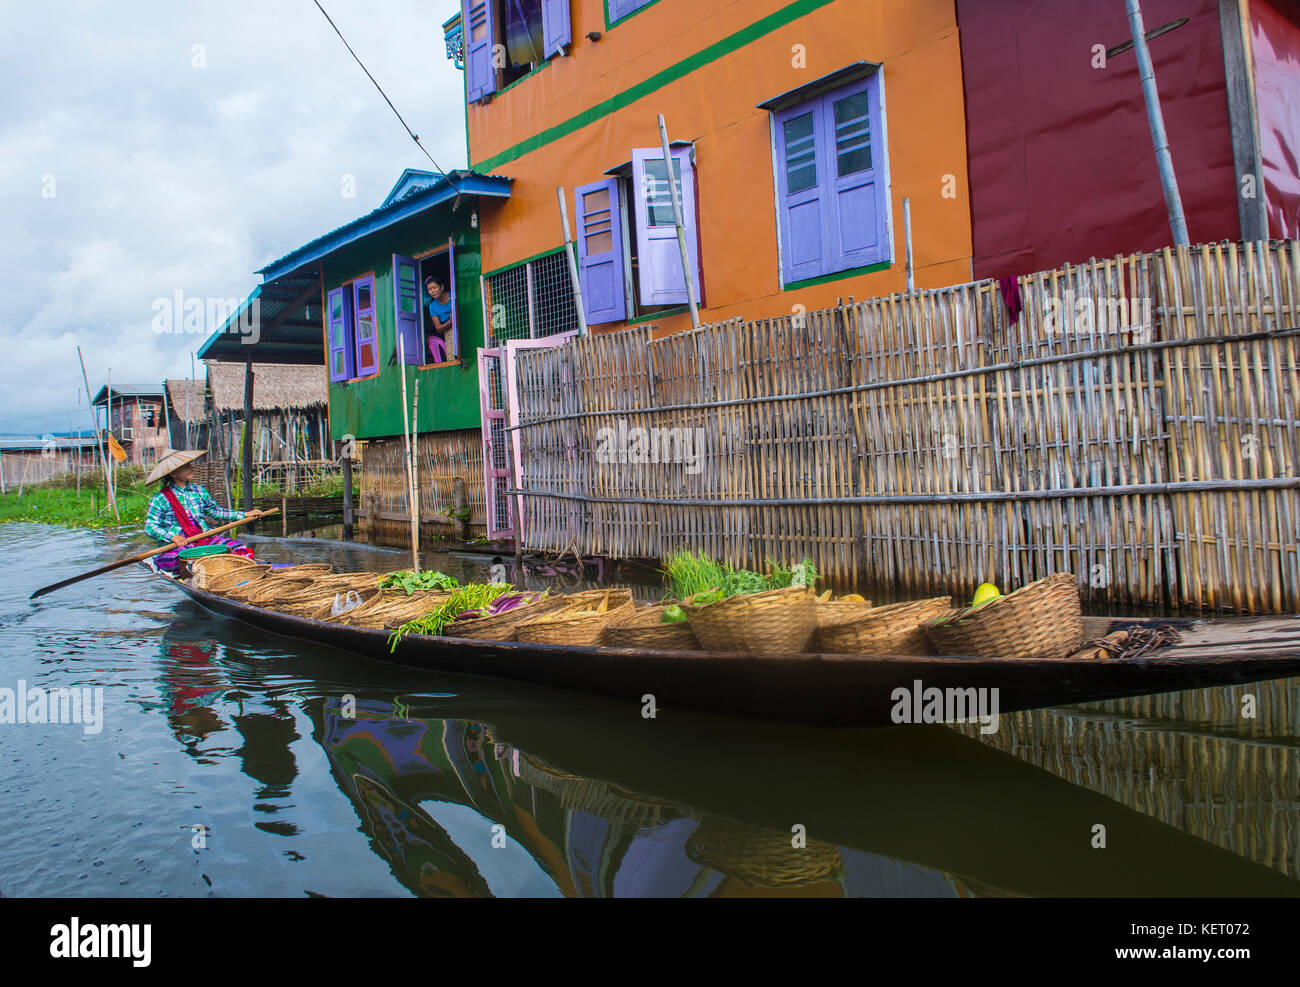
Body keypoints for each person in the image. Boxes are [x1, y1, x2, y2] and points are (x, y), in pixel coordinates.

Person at [144, 449, 262, 572]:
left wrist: (245, 515)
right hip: (181, 544)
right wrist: (172, 537)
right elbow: (150, 527)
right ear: (173, 473)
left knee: (239, 549)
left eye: (189, 464)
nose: (191, 467)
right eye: (185, 466)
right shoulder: (160, 499)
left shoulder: (199, 491)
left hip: (203, 538)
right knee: (182, 560)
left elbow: (215, 512)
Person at [425, 274, 453, 359]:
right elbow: (438, 328)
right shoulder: (432, 306)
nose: (432, 291)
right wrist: (450, 322)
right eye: (429, 289)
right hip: (447, 331)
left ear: (442, 287)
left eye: (435, 287)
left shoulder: (453, 296)